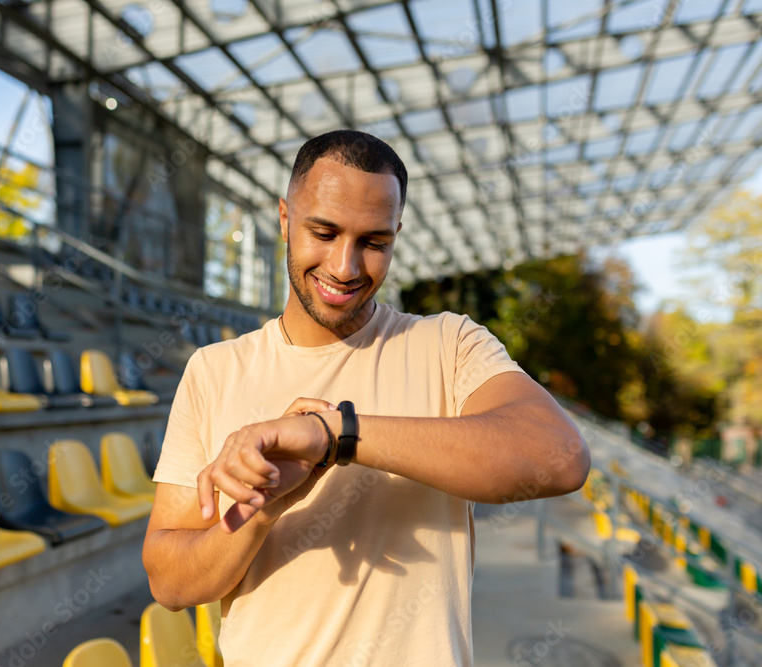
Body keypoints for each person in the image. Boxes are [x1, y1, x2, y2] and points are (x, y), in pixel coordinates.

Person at [142, 129, 590, 666]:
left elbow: (560, 457)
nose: (345, 267)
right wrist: (262, 510)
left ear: (397, 234)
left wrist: (337, 436)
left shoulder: (448, 344)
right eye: (323, 232)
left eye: (374, 242)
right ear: (284, 219)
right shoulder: (214, 371)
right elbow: (169, 582)